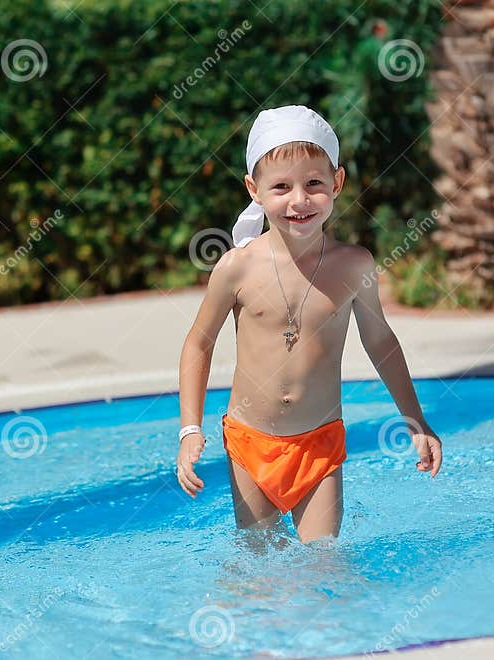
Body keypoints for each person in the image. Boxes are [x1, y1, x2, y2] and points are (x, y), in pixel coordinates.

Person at [175, 105, 442, 543]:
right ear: (254, 190)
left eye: (314, 184)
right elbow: (198, 344)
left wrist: (415, 420)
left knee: (324, 568)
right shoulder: (237, 268)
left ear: (336, 183)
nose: (299, 200)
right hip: (250, 444)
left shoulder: (354, 266)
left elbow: (381, 342)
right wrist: (190, 430)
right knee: (258, 569)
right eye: (281, 187)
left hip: (319, 445)